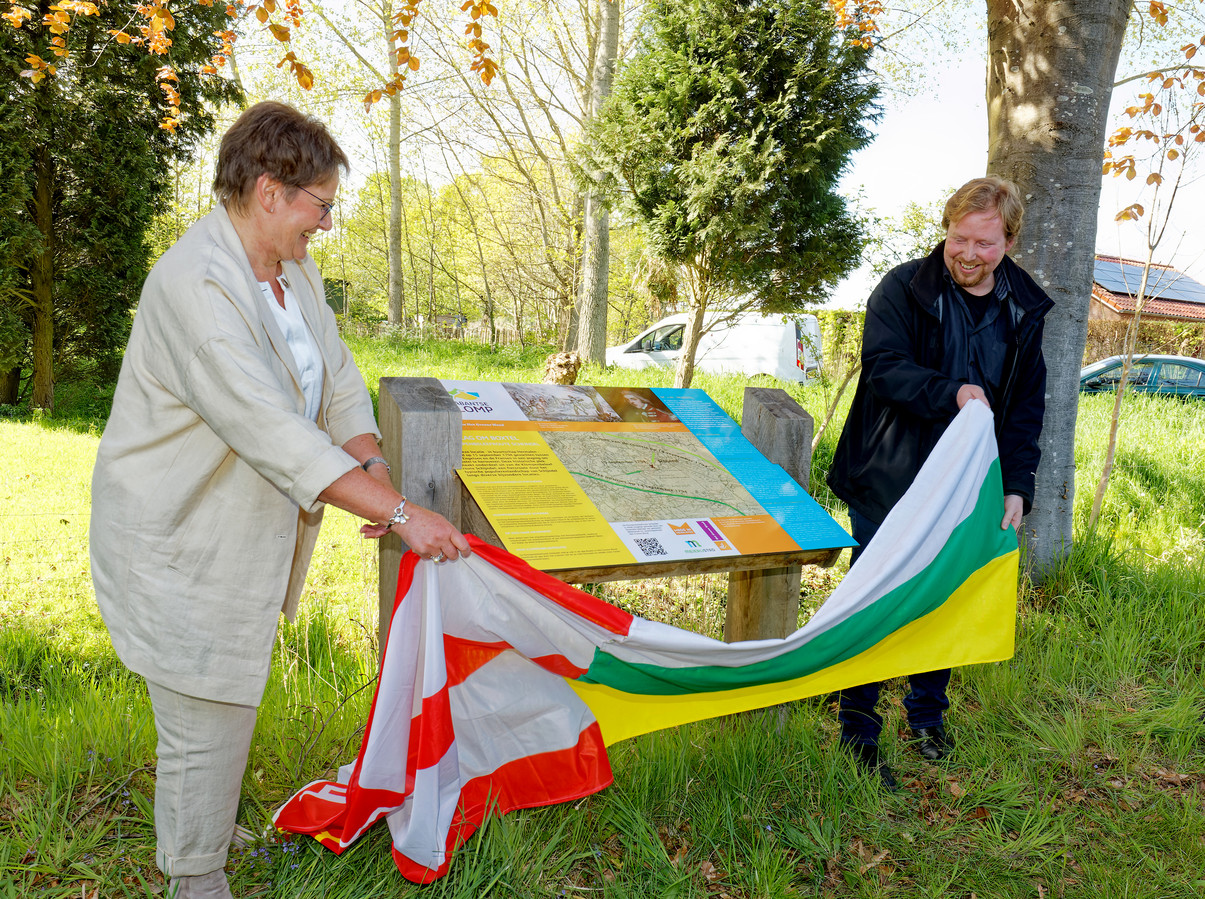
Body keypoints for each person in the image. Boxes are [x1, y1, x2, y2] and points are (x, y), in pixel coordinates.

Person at [89, 101, 471, 899]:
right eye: (321, 205)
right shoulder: (197, 286)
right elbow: (271, 430)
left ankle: (206, 823)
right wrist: (402, 516)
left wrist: (375, 471)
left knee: (224, 694)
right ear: (269, 190)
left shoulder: (291, 272)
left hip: (236, 533)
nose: (326, 223)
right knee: (208, 701)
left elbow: (334, 379)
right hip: (180, 533)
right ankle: (194, 874)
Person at [825, 176, 1052, 789]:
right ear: (946, 231)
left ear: (1008, 241)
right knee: (879, 598)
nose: (968, 254)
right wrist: (950, 393)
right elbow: (884, 368)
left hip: (968, 489)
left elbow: (1026, 406)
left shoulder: (1025, 308)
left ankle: (927, 720)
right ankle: (857, 727)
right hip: (889, 476)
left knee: (944, 597)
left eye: (984, 243)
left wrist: (1018, 485)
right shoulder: (903, 287)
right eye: (959, 238)